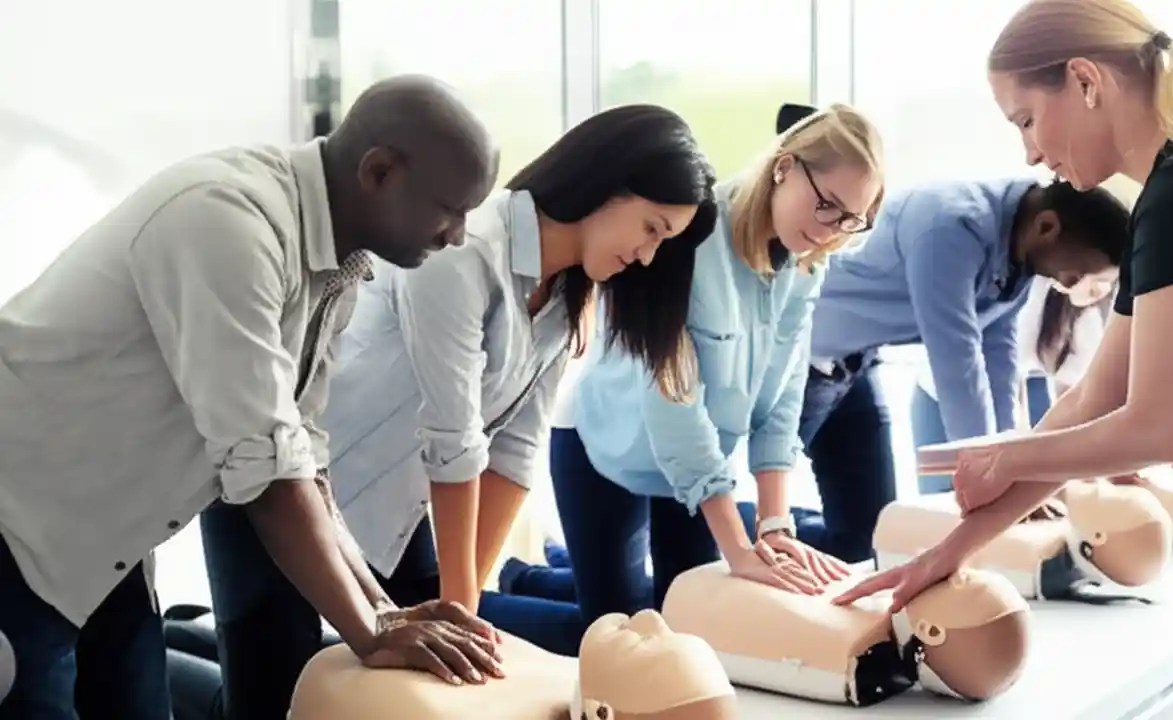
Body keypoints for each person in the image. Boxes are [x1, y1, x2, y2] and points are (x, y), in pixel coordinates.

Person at [0, 74, 504, 720]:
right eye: (450, 209)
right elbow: (266, 474)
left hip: (106, 546)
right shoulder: (228, 221)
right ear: (379, 172)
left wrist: (385, 609)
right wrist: (370, 633)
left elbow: (306, 461)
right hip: (19, 525)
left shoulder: (338, 270)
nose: (458, 235)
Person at [833, 2, 1173, 717]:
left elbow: (1159, 428)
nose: (1030, 154)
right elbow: (1093, 400)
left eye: (1026, 120)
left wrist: (1005, 458)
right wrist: (952, 550)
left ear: (1085, 81)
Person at [205, 104, 718, 704]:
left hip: (392, 515)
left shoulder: (569, 297)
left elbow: (516, 452)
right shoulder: (466, 248)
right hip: (283, 492)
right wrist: (460, 605)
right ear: (608, 184)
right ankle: (179, 650)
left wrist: (464, 607)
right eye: (652, 228)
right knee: (273, 697)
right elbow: (454, 438)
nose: (649, 255)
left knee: (401, 688)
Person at [552, 104, 886, 628]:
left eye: (850, 220)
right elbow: (674, 405)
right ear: (785, 167)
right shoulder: (693, 234)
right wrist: (738, 547)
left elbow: (785, 394)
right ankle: (506, 591)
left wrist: (775, 525)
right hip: (607, 443)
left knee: (693, 626)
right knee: (616, 636)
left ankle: (541, 577)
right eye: (827, 205)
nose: (830, 231)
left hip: (695, 469)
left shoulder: (806, 261)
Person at [802, 174, 1129, 554]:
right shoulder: (948, 228)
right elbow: (956, 361)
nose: (1077, 283)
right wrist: (992, 483)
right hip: (800, 363)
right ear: (1047, 227)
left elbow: (1000, 360)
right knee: (757, 523)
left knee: (867, 538)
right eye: (1082, 271)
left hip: (855, 365)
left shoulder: (1019, 252)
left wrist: (1013, 475)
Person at [912, 273, 1114, 456]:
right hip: (942, 393)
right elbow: (994, 367)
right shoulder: (1021, 288)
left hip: (1002, 394)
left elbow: (1074, 403)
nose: (1101, 290)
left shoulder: (1083, 316)